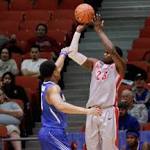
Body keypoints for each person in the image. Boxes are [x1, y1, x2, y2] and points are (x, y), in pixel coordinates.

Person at [67, 16, 126, 150]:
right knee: (91, 147)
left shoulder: (119, 67)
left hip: (108, 111)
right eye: (104, 51)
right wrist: (77, 31)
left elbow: (111, 50)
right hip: (92, 111)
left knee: (109, 147)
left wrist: (98, 30)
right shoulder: (95, 64)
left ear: (117, 57)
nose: (105, 52)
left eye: (108, 52)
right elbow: (72, 53)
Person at [38, 47, 102, 150]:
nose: (59, 70)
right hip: (53, 132)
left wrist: (63, 53)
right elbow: (61, 106)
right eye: (56, 70)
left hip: (48, 131)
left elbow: (57, 67)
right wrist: (88, 111)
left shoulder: (45, 83)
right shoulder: (53, 88)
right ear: (54, 73)